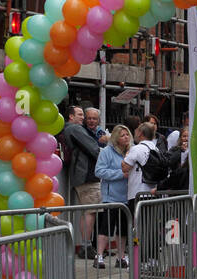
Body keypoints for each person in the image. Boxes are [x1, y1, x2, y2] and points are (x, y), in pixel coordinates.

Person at [64, 106, 104, 249]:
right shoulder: (75, 129)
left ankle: (86, 245)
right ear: (71, 116)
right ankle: (86, 246)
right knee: (91, 212)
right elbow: (93, 149)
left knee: (89, 212)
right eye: (80, 115)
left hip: (82, 175)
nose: (83, 118)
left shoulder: (71, 129)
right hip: (87, 175)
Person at [92, 124, 132, 268]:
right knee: (106, 228)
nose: (126, 137)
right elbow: (99, 171)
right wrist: (121, 174)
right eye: (122, 135)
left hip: (126, 196)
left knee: (122, 230)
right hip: (111, 197)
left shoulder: (131, 151)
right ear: (116, 138)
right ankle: (100, 256)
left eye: (127, 134)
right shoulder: (106, 152)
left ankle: (121, 257)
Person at [122, 121, 163, 202]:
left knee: (136, 215)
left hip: (137, 193)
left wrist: (126, 156)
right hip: (153, 192)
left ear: (140, 133)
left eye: (136, 130)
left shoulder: (137, 148)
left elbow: (125, 168)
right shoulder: (156, 149)